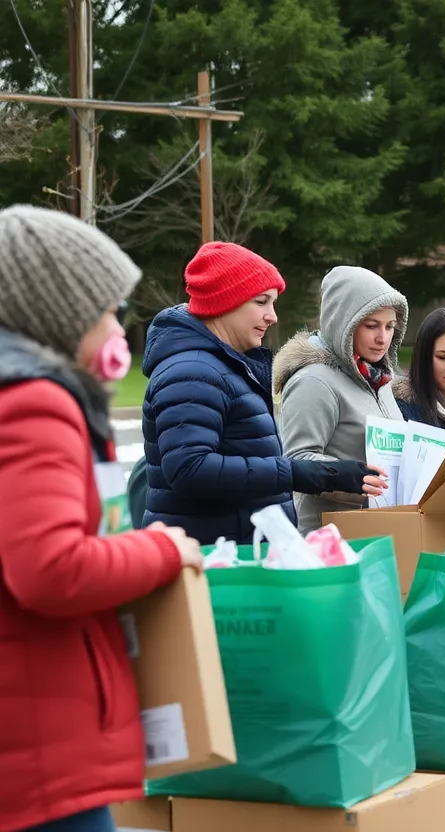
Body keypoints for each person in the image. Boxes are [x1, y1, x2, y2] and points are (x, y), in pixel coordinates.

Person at [0, 206, 204, 832]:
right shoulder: (34, 405)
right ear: (59, 312)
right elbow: (51, 567)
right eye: (107, 309)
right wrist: (164, 551)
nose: (119, 325)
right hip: (41, 747)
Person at [142, 243, 380, 544]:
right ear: (225, 302)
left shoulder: (221, 366)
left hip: (233, 553)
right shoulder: (192, 371)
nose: (273, 316)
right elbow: (191, 469)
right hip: (215, 564)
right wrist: (307, 474)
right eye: (261, 302)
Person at [273, 266, 399, 532]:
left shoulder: (381, 379)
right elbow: (296, 460)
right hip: (327, 535)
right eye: (371, 326)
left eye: (390, 326)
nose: (382, 338)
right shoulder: (313, 381)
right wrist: (352, 478)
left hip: (377, 529)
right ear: (343, 322)